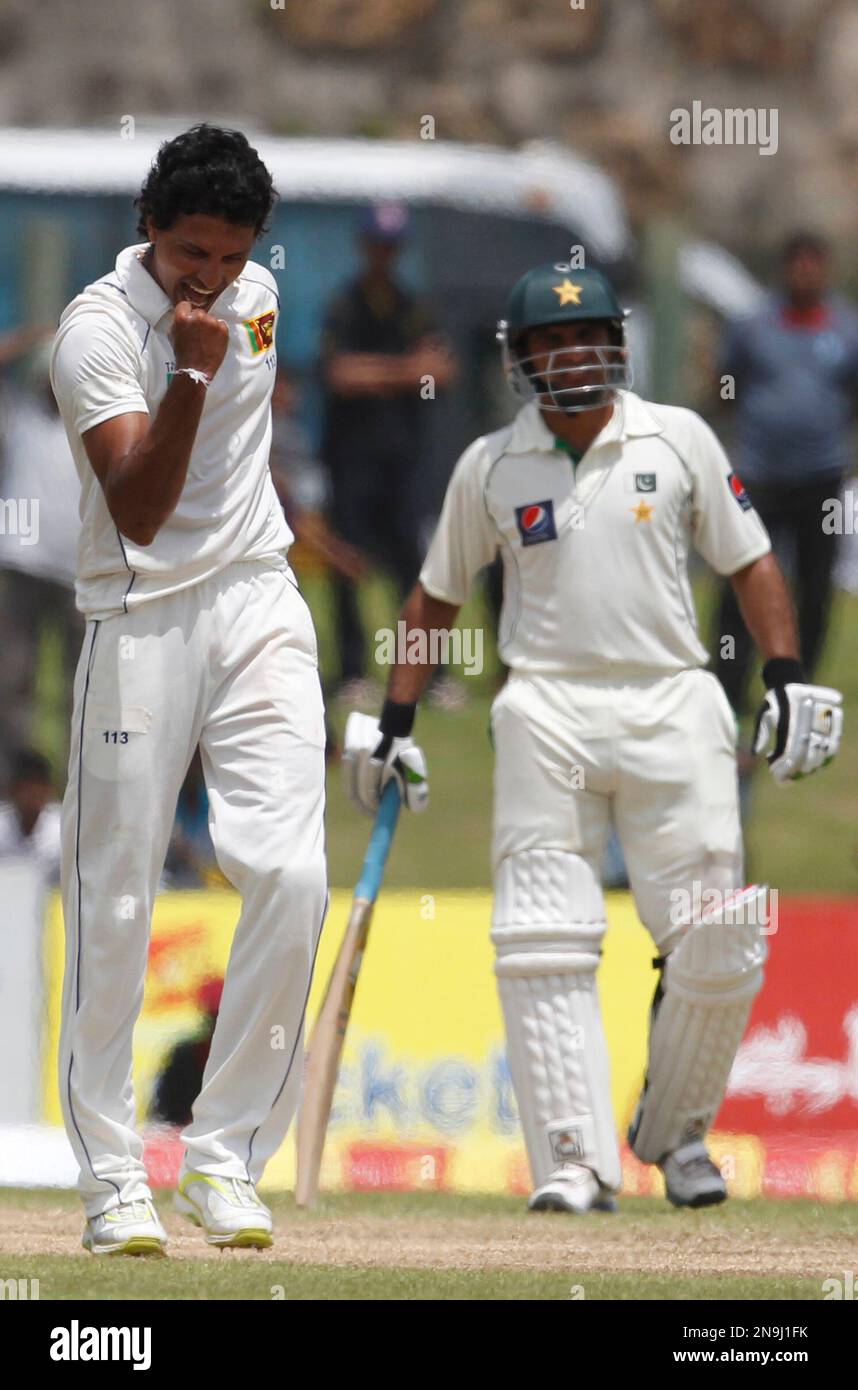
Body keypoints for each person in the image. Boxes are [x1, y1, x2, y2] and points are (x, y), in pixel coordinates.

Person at [342, 263, 843, 1214]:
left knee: (720, 935)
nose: (573, 355)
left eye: (588, 338)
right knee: (540, 938)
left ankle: (677, 1135)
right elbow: (432, 597)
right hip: (546, 707)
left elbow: (752, 558)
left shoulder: (681, 437)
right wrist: (397, 723)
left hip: (674, 702)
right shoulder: (491, 465)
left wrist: (784, 678)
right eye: (551, 344)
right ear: (523, 360)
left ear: (617, 346)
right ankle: (573, 1160)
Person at [50, 125, 328, 1256]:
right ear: (148, 230)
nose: (207, 275)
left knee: (293, 873)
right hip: (138, 610)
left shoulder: (257, 292)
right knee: (118, 900)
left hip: (258, 594)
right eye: (189, 253)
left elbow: (241, 453)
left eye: (229, 253)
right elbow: (141, 508)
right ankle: (116, 1177)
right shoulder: (96, 332)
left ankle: (224, 1161)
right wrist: (194, 370)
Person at [713, 232, 858, 718]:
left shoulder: (845, 329)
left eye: (813, 264)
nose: (804, 273)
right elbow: (725, 383)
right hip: (760, 475)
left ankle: (798, 691)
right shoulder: (754, 326)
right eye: (795, 264)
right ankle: (728, 686)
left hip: (822, 478)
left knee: (816, 588)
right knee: (744, 579)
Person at [320, 203, 456, 702]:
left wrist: (374, 373)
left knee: (413, 566)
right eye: (378, 244)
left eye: (393, 246)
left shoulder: (414, 305)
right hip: (352, 457)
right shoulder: (346, 304)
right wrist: (404, 369)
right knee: (347, 563)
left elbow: (442, 371)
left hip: (404, 457)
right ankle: (352, 671)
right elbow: (340, 375)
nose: (385, 254)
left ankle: (430, 674)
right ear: (364, 246)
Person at [0, 335, 84, 787]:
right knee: (12, 682)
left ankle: (77, 782)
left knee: (83, 685)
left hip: (78, 572)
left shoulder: (91, 422)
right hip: (22, 563)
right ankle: (12, 784)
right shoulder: (18, 417)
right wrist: (33, 335)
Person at [0, 747, 62, 882]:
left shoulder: (61, 833)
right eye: (26, 787)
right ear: (12, 790)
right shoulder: (2, 828)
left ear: (49, 790)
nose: (32, 794)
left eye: (38, 787)